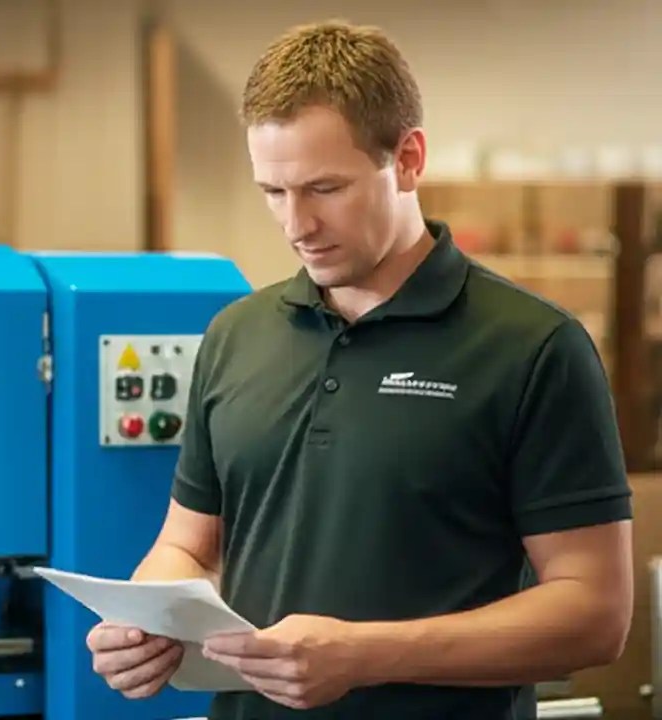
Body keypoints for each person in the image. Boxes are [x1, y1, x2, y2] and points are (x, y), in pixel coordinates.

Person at [85, 19, 634, 720]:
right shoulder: (235, 336)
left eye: (324, 188)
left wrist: (366, 655)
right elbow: (190, 547)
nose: (296, 225)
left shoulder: (534, 349)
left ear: (408, 159)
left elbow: (594, 613)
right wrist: (146, 625)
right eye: (273, 192)